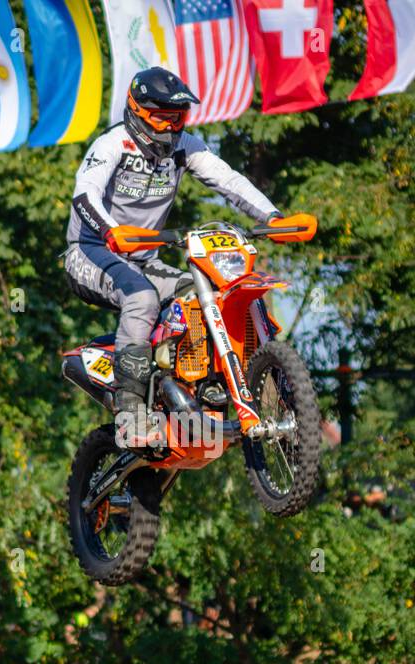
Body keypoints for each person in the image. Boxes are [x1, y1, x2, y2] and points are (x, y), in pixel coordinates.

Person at [63, 66, 302, 448]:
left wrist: (273, 217)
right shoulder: (112, 144)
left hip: (143, 259)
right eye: (162, 116)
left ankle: (198, 385)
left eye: (178, 117)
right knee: (140, 298)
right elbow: (84, 194)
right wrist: (109, 231)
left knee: (203, 291)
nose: (171, 127)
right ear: (137, 111)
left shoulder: (184, 146)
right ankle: (130, 414)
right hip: (91, 251)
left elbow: (229, 180)